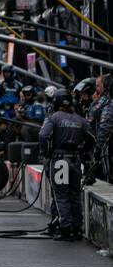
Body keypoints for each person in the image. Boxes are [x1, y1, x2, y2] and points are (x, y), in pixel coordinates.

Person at [38, 88, 92, 242]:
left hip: (59, 159)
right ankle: (77, 228)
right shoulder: (81, 120)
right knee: (75, 195)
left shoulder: (53, 118)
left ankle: (65, 228)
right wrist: (84, 151)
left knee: (61, 196)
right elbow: (91, 138)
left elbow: (43, 135)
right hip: (75, 160)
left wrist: (46, 151)